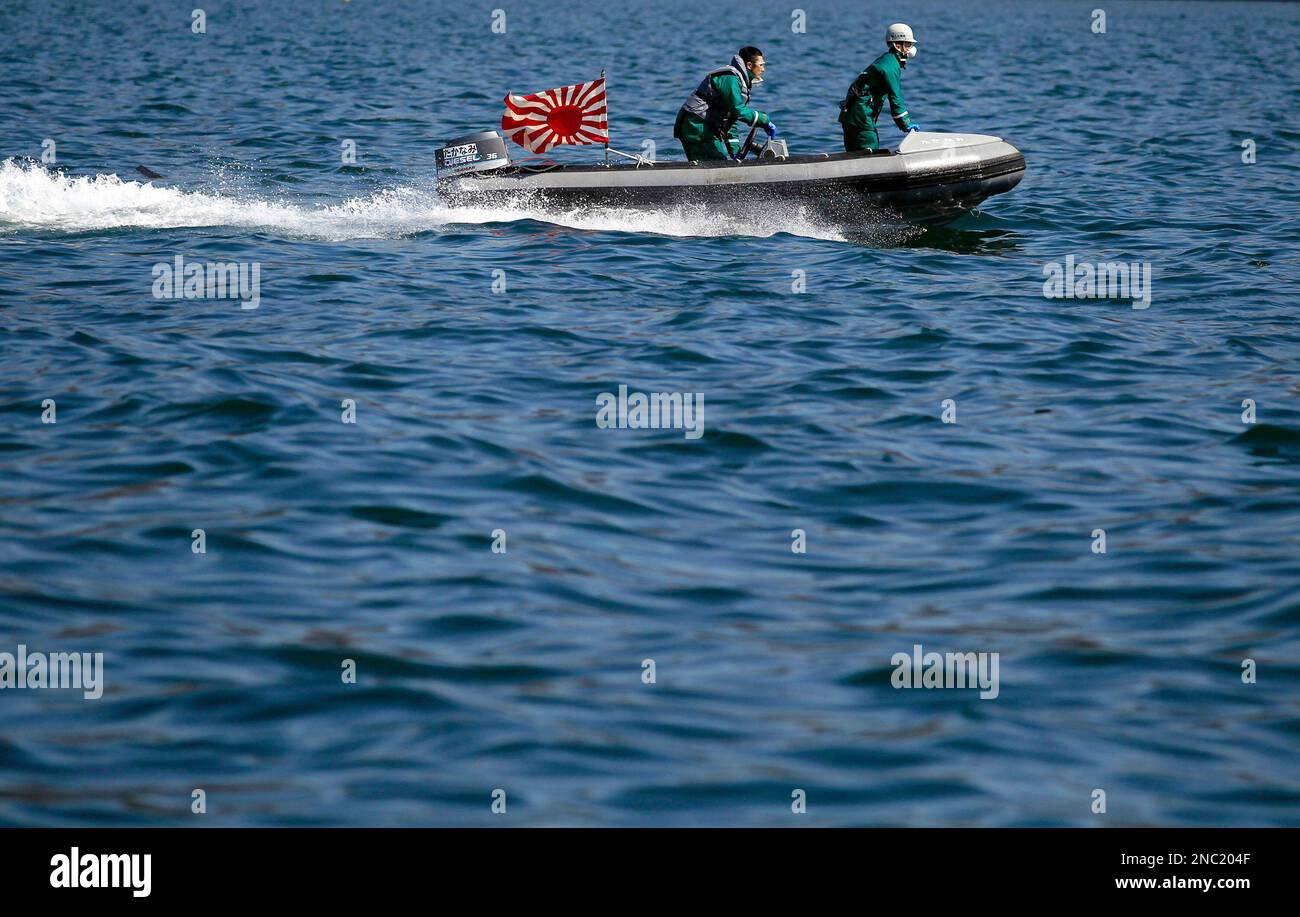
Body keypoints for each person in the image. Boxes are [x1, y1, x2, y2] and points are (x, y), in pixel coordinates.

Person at [674, 46, 776, 161]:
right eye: (761, 65)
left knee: (711, 163)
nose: (763, 69)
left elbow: (729, 120)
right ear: (749, 65)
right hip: (696, 125)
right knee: (715, 164)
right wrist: (764, 120)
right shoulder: (730, 79)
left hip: (702, 126)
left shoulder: (738, 80)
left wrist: (735, 151)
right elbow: (738, 110)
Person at [838, 23, 922, 152]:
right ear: (897, 45)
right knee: (869, 148)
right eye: (908, 44)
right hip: (861, 118)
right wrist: (906, 124)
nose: (910, 48)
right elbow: (895, 97)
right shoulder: (890, 66)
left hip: (852, 117)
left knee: (854, 155)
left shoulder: (886, 61)